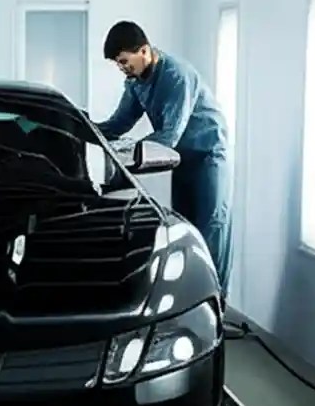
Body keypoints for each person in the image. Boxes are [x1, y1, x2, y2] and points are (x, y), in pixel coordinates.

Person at [95, 21, 232, 297]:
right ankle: (189, 301)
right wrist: (87, 129)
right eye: (118, 64)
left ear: (144, 51)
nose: (122, 68)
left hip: (207, 154)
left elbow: (169, 135)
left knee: (211, 227)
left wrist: (127, 154)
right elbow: (119, 123)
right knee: (185, 230)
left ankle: (216, 302)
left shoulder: (177, 76)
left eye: (124, 61)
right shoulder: (135, 82)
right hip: (180, 157)